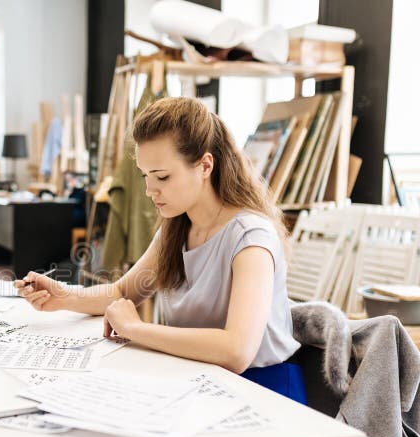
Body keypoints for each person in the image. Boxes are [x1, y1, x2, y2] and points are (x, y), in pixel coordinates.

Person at [16, 97, 304, 402]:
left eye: (163, 177)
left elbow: (236, 351)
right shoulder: (176, 227)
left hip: (263, 391)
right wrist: (62, 296)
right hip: (199, 379)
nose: (150, 191)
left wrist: (136, 329)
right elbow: (122, 293)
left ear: (206, 165)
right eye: (146, 176)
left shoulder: (251, 238)